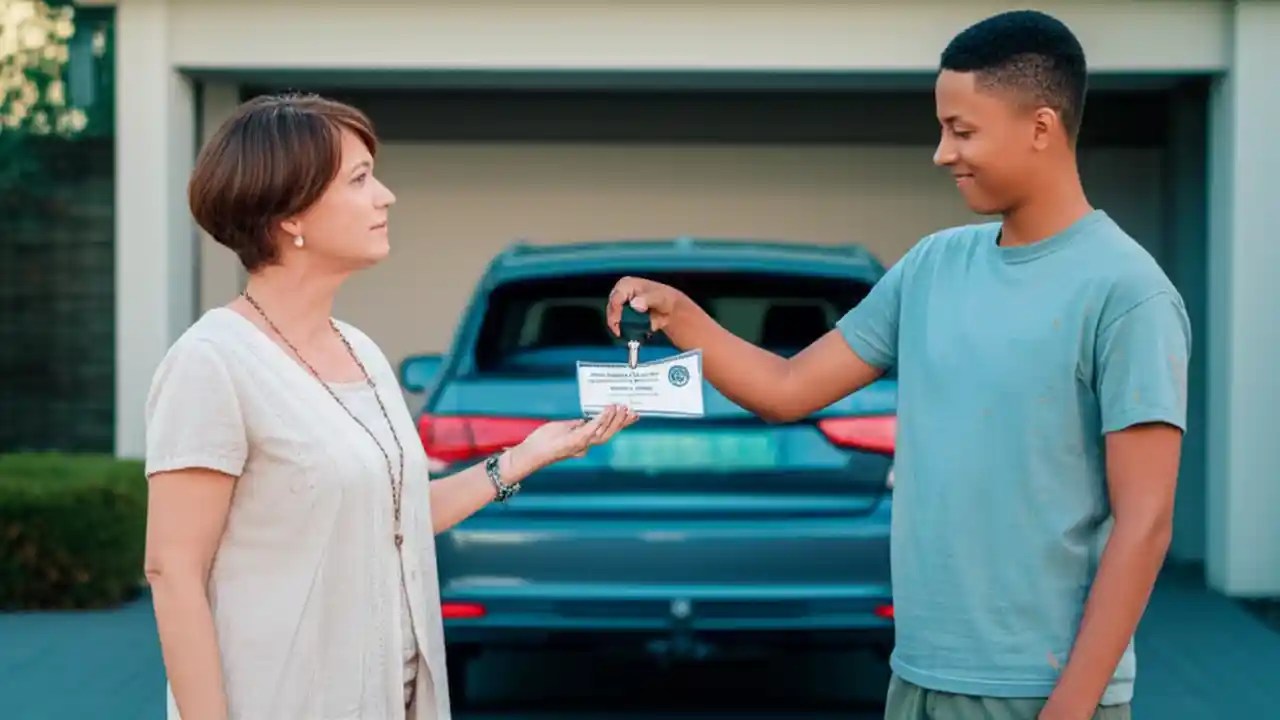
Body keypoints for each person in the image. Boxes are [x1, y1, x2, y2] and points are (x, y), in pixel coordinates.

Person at [606, 10, 1188, 720]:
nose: (943, 153)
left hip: (1041, 693)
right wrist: (681, 315)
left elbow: (1146, 522)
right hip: (916, 676)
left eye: (962, 130)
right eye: (943, 129)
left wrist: (1071, 707)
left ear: (1041, 127)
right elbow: (787, 389)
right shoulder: (932, 267)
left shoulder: (1128, 292)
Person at [142, 93, 636, 720]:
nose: (386, 196)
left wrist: (528, 455)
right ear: (291, 214)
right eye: (359, 179)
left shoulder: (361, 351)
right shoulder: (212, 362)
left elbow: (390, 514)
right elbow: (172, 569)